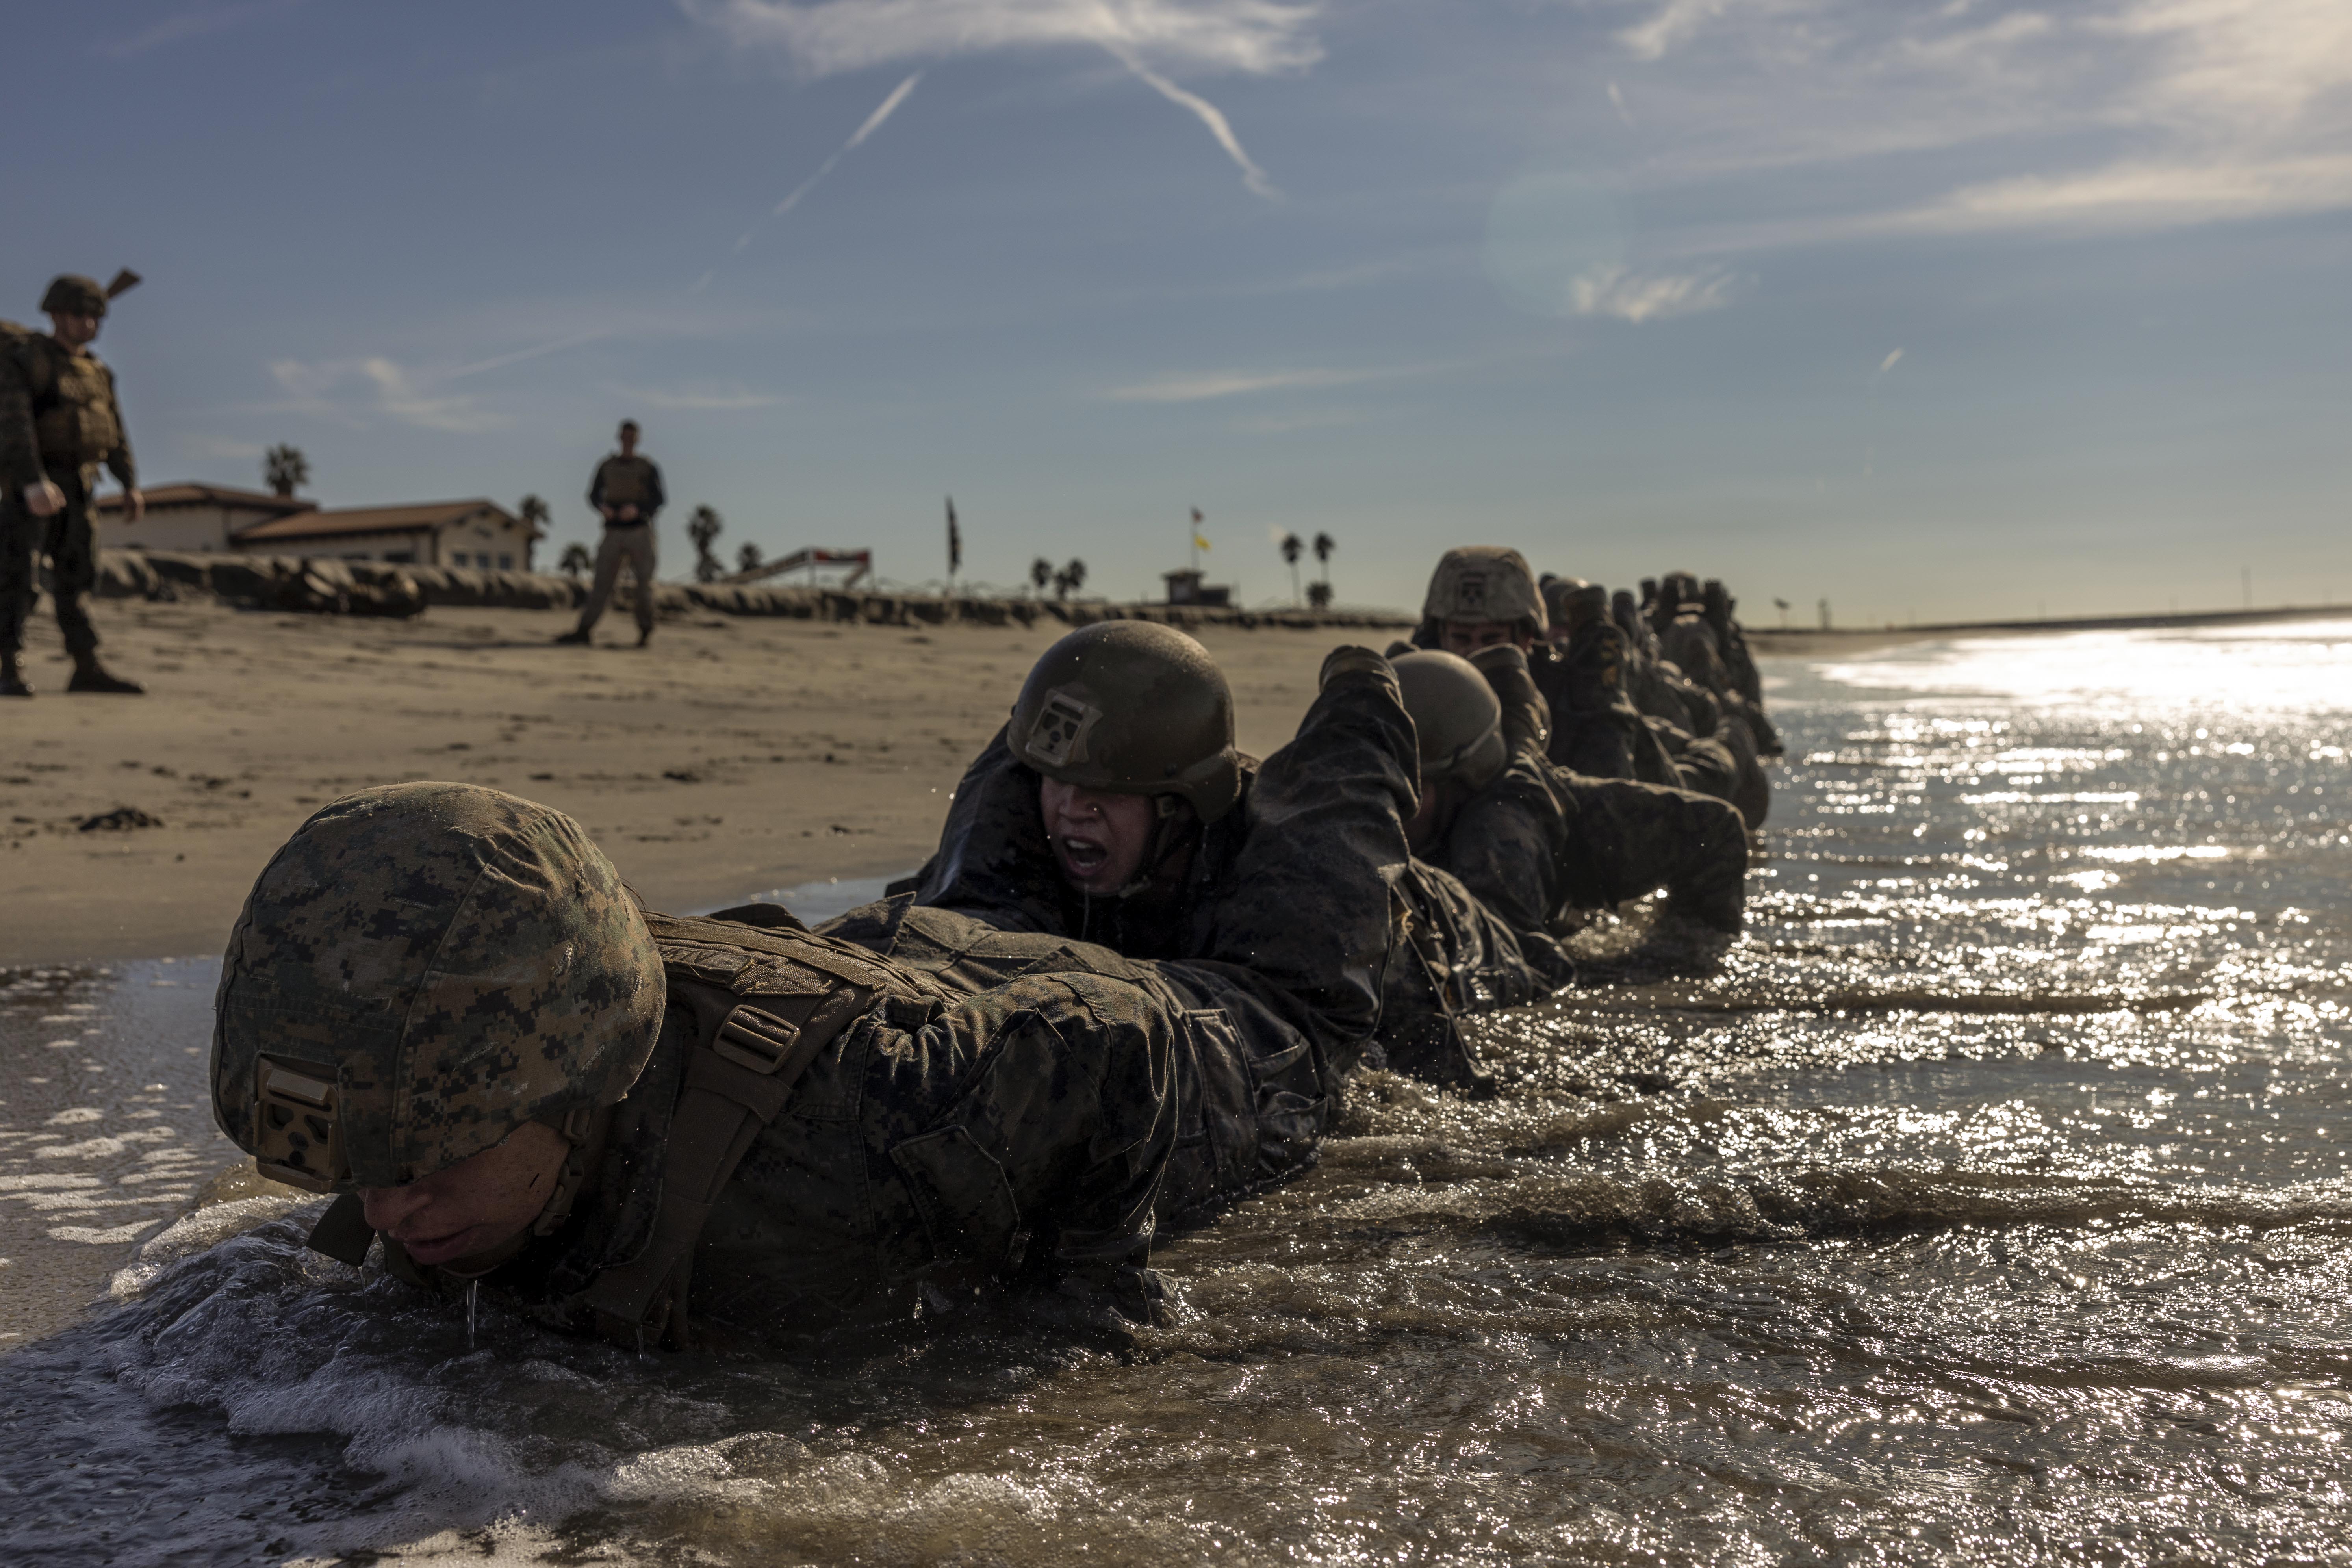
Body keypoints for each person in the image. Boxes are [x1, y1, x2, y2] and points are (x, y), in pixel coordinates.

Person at [210, 774, 1400, 1349]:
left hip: (1167, 1042)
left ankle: (1366, 720)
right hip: (909, 955)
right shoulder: (429, 1079)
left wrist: (1077, 1312)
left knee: (1304, 987)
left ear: (584, 1085)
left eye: (429, 1164)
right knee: (992, 851)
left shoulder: (857, 1120)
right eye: (369, 1169)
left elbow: (1114, 1047)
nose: (389, 1203)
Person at [898, 622, 1537, 1087]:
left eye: (1105, 792)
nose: (1069, 808)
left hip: (1444, 930)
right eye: (1052, 781)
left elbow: (1401, 1078)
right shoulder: (1035, 842)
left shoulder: (1292, 883)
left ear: (1180, 803)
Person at [1391, 649, 1748, 942]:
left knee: (1712, 766)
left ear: (1460, 783)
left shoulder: (1496, 836)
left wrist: (1676, 956)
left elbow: (1720, 828)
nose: (1390, 808)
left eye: (1409, 791)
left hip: (1630, 805)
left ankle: (1737, 734)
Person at [0, 272, 145, 696]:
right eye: (81, 315)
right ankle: (9, 666)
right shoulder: (27, 360)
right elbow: (14, 425)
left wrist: (128, 483)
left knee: (78, 580)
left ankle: (87, 666)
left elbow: (114, 430)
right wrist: (30, 483)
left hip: (81, 485)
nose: (90, 325)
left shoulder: (97, 371)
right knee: (17, 580)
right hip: (35, 485)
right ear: (57, 316)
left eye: (96, 317)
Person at [556, 419, 665, 648]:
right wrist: (603, 508)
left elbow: (659, 499)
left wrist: (638, 510)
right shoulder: (607, 466)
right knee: (601, 583)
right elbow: (593, 495)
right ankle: (584, 631)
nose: (628, 440)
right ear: (619, 437)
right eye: (625, 436)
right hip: (613, 532)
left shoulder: (648, 467)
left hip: (640, 532)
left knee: (644, 586)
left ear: (638, 439)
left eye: (632, 437)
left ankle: (646, 633)